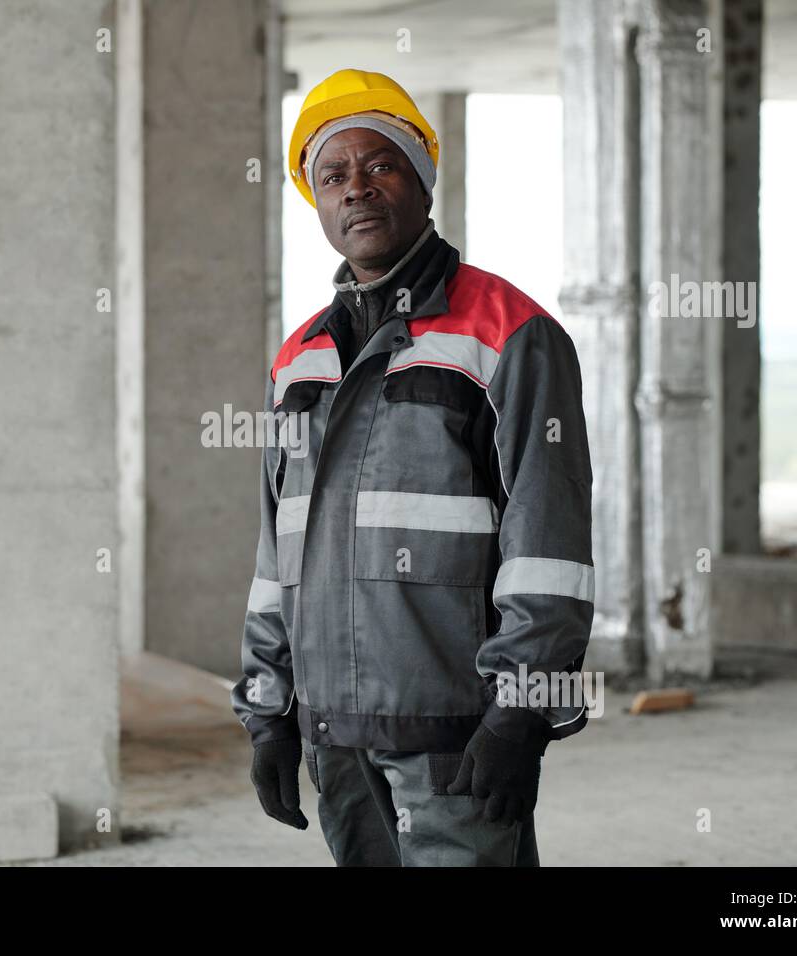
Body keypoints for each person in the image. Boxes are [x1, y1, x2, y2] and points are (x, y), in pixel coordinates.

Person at [231, 69, 596, 866]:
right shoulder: (299, 360)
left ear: (424, 181)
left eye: (380, 165)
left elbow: (551, 546)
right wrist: (268, 711)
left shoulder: (509, 333)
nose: (356, 189)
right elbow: (276, 553)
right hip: (336, 738)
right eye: (333, 175)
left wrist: (521, 712)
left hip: (457, 737)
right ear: (316, 201)